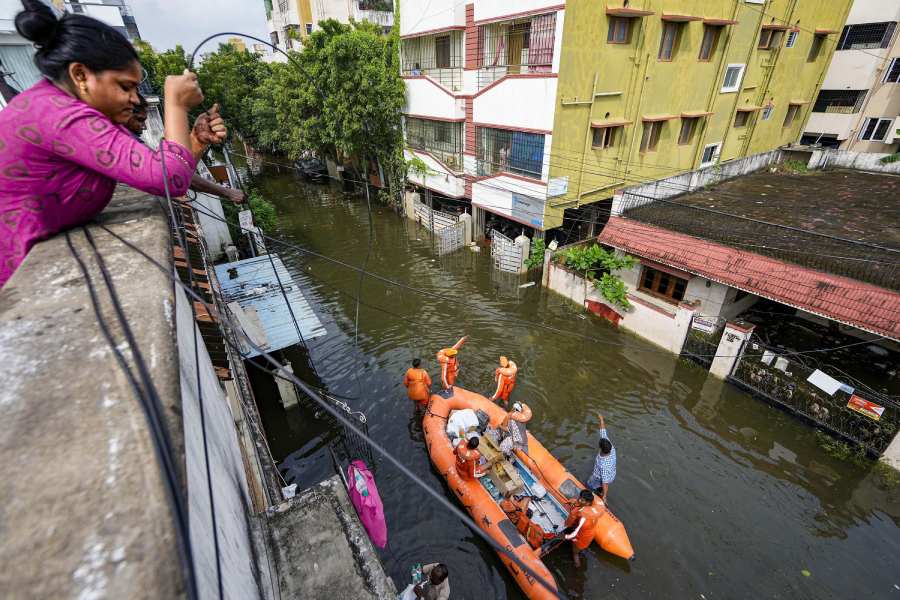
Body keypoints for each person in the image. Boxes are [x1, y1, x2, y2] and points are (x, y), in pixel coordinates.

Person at [0, 0, 225, 288]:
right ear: (80, 75)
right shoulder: (62, 115)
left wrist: (193, 140)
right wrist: (177, 104)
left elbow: (155, 169)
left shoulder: (55, 108)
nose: (134, 99)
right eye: (125, 86)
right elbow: (169, 180)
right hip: (19, 283)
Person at [124, 94, 245, 205]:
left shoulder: (129, 137)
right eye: (140, 120)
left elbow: (178, 174)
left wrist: (198, 141)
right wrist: (228, 193)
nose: (144, 127)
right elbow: (170, 177)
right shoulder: (123, 142)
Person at [564, 489, 602, 568]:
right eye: (580, 498)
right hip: (590, 532)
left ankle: (577, 568)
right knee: (579, 548)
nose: (579, 500)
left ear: (588, 503)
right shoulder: (592, 511)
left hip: (582, 537)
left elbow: (571, 530)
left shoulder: (583, 518)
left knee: (575, 553)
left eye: (582, 500)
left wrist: (564, 536)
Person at [587, 413, 616, 501]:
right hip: (612, 474)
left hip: (599, 477)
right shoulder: (611, 447)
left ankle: (599, 494)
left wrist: (605, 496)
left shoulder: (604, 465)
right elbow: (603, 432)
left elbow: (605, 482)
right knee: (601, 485)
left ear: (600, 448)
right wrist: (601, 420)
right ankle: (600, 491)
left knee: (589, 485)